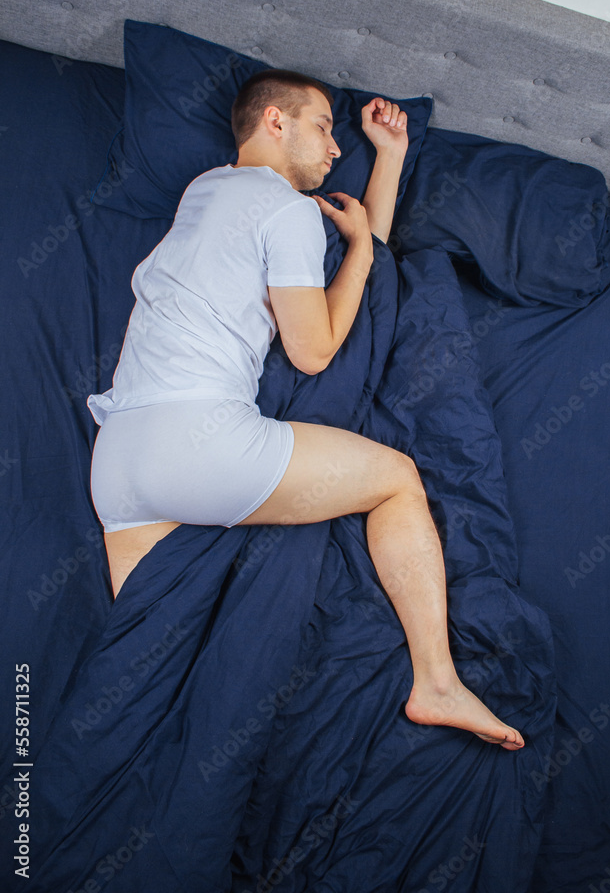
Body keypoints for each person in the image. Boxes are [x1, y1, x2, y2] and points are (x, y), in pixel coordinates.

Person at [87, 69, 524, 751]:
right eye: (323, 126)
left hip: (117, 462)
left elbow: (362, 262)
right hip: (196, 441)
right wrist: (353, 247)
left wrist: (391, 155)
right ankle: (436, 680)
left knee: (143, 684)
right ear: (273, 122)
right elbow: (316, 349)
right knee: (398, 479)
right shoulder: (284, 209)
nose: (334, 148)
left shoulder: (206, 191)